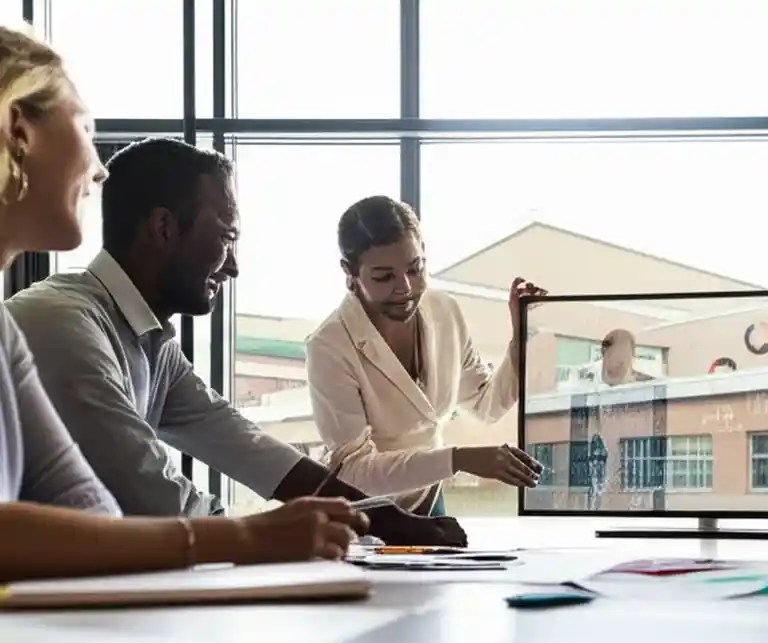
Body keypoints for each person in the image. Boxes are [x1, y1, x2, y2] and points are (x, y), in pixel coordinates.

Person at [0, 25, 367, 580]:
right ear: (17, 131)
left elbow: (87, 506)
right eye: (86, 127)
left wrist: (357, 515)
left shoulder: (15, 333)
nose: (100, 170)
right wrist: (246, 536)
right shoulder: (58, 320)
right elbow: (135, 498)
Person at [6, 138, 463, 545]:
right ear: (164, 229)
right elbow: (145, 490)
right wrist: (268, 534)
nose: (234, 267)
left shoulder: (149, 338)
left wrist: (380, 519)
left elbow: (244, 445)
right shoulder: (64, 324)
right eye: (226, 237)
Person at [305, 195, 545, 513]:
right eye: (384, 277)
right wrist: (457, 459)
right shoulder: (329, 346)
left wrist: (520, 335)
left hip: (428, 498)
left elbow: (486, 404)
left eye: (415, 269)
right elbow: (354, 471)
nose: (405, 287)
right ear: (350, 272)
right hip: (364, 513)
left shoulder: (445, 311)